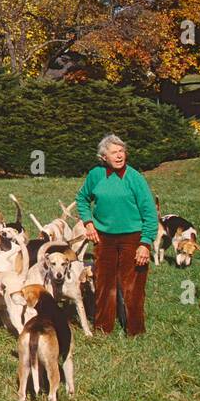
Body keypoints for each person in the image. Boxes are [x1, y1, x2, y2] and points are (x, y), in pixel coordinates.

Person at [74, 134, 158, 337]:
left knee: (132, 286)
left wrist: (145, 243)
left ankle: (135, 331)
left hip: (133, 237)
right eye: (114, 152)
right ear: (103, 157)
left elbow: (150, 213)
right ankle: (103, 329)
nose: (119, 156)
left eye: (122, 151)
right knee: (104, 283)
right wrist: (88, 223)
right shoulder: (96, 175)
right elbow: (82, 199)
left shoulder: (135, 178)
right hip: (103, 238)